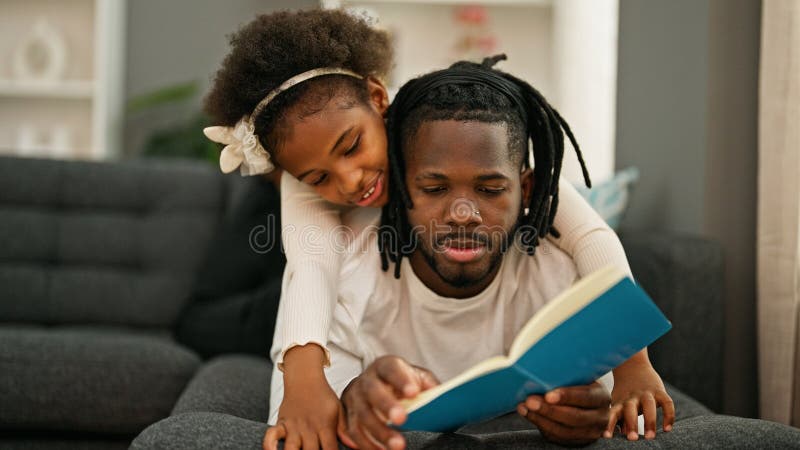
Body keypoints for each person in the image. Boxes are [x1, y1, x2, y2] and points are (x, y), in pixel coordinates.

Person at [202, 10, 669, 449]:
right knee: (275, 304)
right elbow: (310, 268)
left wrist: (634, 363)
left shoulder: (458, 134)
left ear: (379, 100)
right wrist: (305, 383)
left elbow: (590, 236)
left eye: (353, 147)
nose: (350, 181)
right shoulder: (312, 191)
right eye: (319, 178)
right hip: (303, 296)